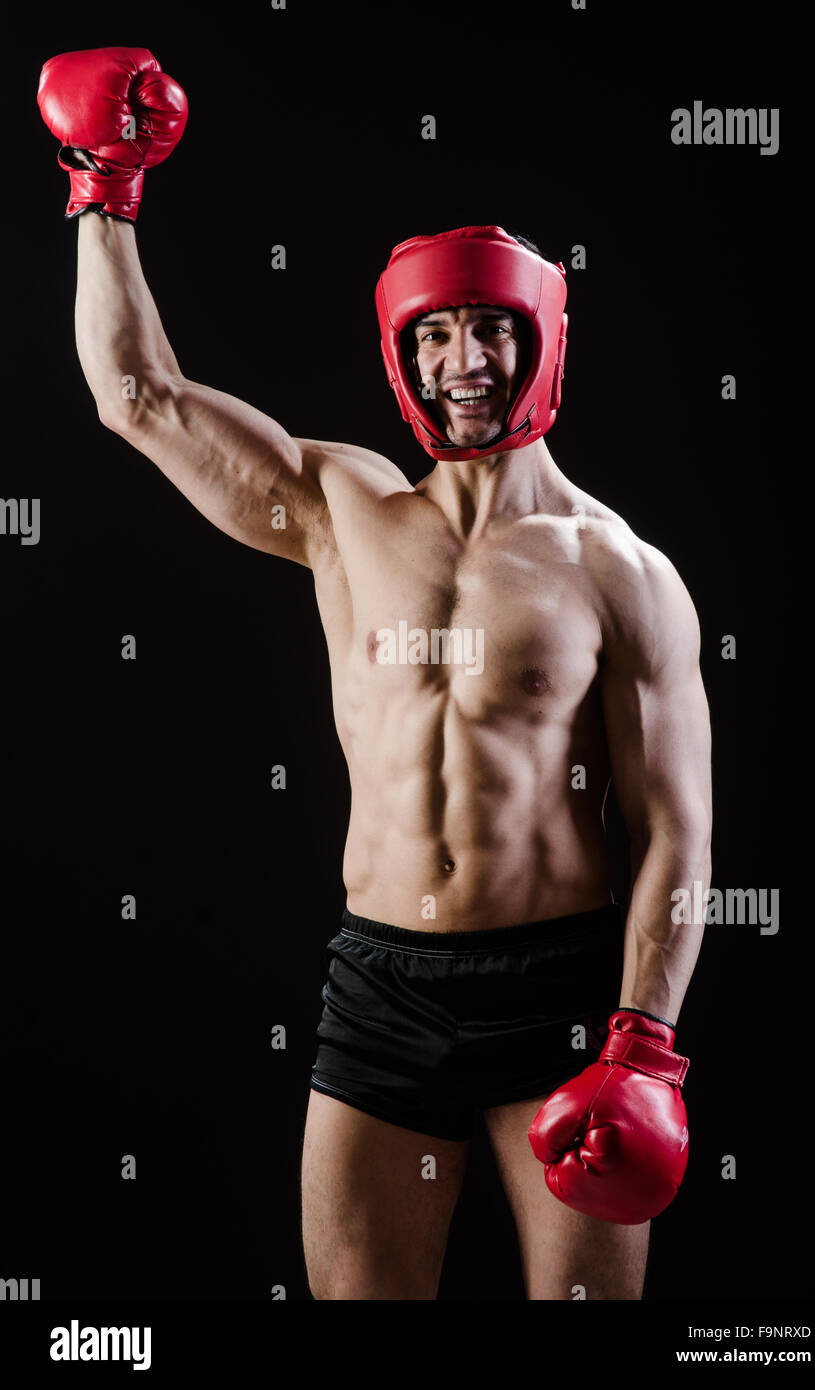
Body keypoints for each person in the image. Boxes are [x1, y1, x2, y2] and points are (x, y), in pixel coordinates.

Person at [39, 47, 712, 1301]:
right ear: (404, 351)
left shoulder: (622, 571)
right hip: (383, 986)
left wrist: (644, 1047)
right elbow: (137, 398)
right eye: (440, 334)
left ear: (541, 343)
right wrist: (105, 192)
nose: (467, 363)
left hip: (558, 989)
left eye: (493, 332)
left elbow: (679, 833)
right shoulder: (340, 506)